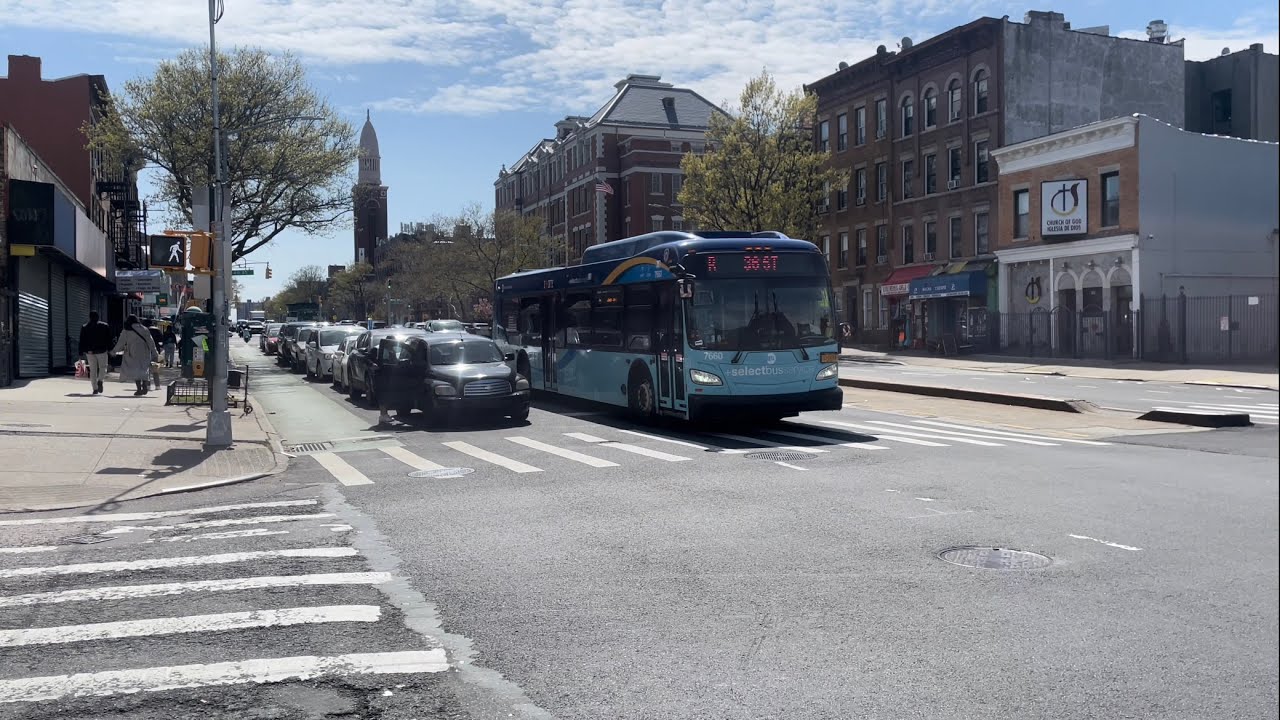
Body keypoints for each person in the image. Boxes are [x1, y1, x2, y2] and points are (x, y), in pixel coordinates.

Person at [112, 315, 160, 396]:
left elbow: (120, 343)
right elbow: (151, 342)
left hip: (133, 352)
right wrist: (155, 353)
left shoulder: (126, 330)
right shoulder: (144, 329)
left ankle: (139, 389)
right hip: (145, 352)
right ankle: (145, 384)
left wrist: (114, 351)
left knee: (135, 370)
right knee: (144, 369)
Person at [78, 311, 113, 395]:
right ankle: (100, 380)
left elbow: (82, 340)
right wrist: (110, 349)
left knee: (93, 370)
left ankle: (95, 388)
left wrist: (80, 352)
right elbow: (109, 339)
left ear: (89, 317)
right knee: (103, 367)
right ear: (98, 317)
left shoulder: (85, 327)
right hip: (102, 351)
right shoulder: (104, 326)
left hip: (89, 352)